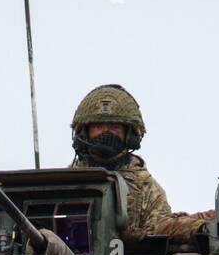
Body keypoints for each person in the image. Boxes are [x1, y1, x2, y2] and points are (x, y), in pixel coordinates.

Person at [69, 84, 173, 240]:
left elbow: (161, 232)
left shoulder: (147, 189)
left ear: (129, 135)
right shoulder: (66, 183)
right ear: (84, 133)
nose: (106, 132)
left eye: (115, 126)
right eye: (98, 126)